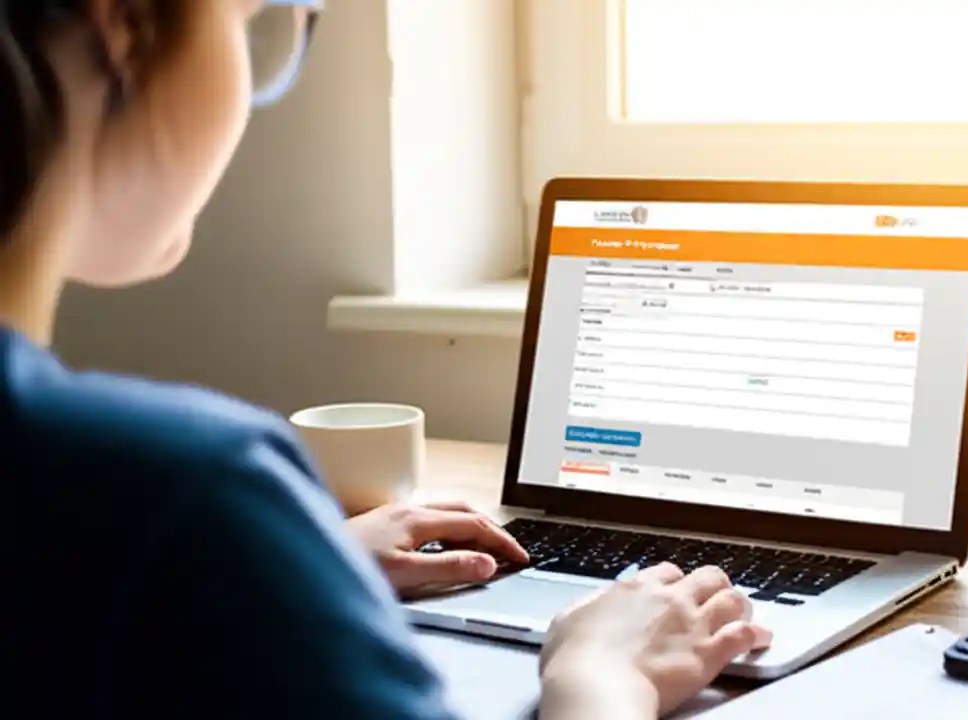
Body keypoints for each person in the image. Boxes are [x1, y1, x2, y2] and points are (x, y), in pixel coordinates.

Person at [0, 1, 771, 718]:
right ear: (124, 25)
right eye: (254, 20)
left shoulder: (150, 512)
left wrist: (285, 573)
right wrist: (602, 677)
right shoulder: (186, 492)